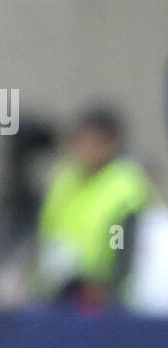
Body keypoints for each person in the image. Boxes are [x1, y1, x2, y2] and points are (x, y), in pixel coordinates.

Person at [35, 105, 156, 306]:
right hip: (57, 290)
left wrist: (110, 283)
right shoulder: (64, 179)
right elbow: (47, 230)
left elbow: (121, 242)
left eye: (93, 142)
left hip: (102, 297)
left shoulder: (125, 186)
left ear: (110, 143)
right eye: (81, 141)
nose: (85, 149)